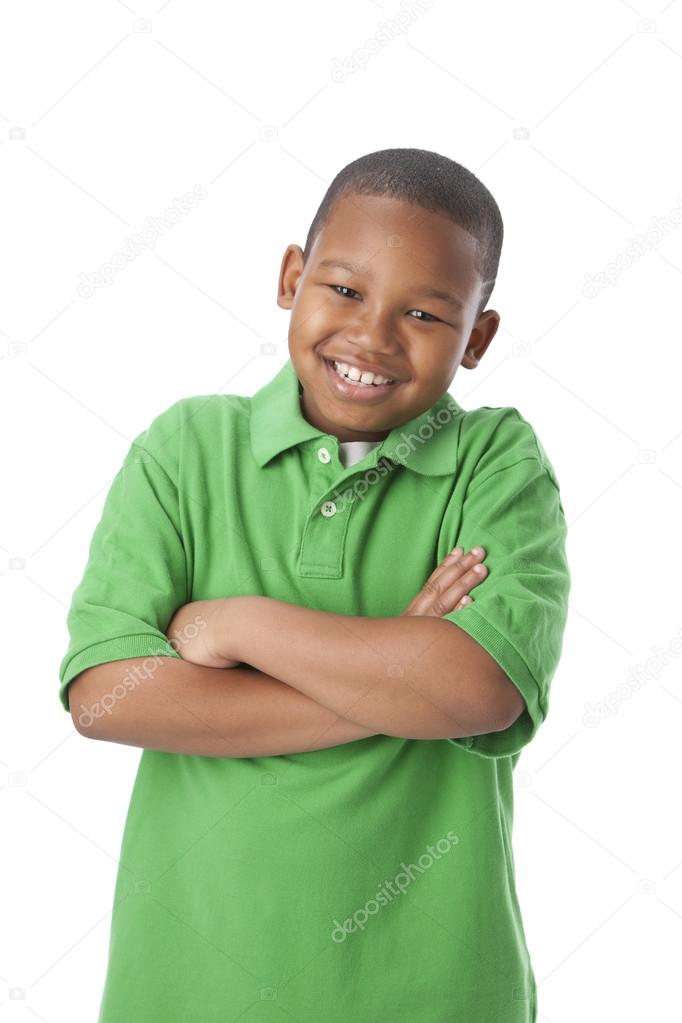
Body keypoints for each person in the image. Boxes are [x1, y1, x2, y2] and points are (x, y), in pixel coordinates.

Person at [58, 147, 571, 1022]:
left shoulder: (496, 461)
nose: (371, 337)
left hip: (435, 991)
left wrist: (241, 624)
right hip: (191, 985)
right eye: (344, 289)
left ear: (478, 338)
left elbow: (477, 689)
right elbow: (106, 698)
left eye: (422, 312)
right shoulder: (187, 449)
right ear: (292, 276)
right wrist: (390, 677)